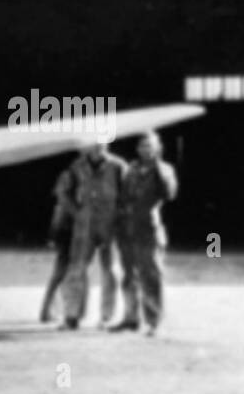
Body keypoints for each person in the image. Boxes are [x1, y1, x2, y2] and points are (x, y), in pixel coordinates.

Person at [112, 131, 178, 336]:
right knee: (128, 275)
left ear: (158, 148)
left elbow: (169, 194)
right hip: (127, 228)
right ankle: (130, 318)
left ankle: (153, 321)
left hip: (148, 228)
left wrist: (158, 168)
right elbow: (122, 196)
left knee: (151, 275)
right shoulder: (131, 169)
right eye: (142, 146)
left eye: (150, 146)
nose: (145, 150)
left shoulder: (164, 169)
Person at [59, 140, 127, 330]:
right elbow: (63, 192)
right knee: (77, 269)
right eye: (94, 142)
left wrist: (119, 216)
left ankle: (107, 316)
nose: (98, 146)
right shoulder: (77, 167)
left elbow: (128, 194)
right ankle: (72, 315)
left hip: (110, 225)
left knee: (111, 271)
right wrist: (76, 212)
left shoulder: (118, 166)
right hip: (85, 227)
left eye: (102, 142)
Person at [39, 168, 76, 323]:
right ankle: (49, 311)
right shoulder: (73, 174)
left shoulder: (73, 173)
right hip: (68, 230)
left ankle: (50, 310)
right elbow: (61, 205)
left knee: (62, 273)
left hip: (68, 229)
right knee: (62, 273)